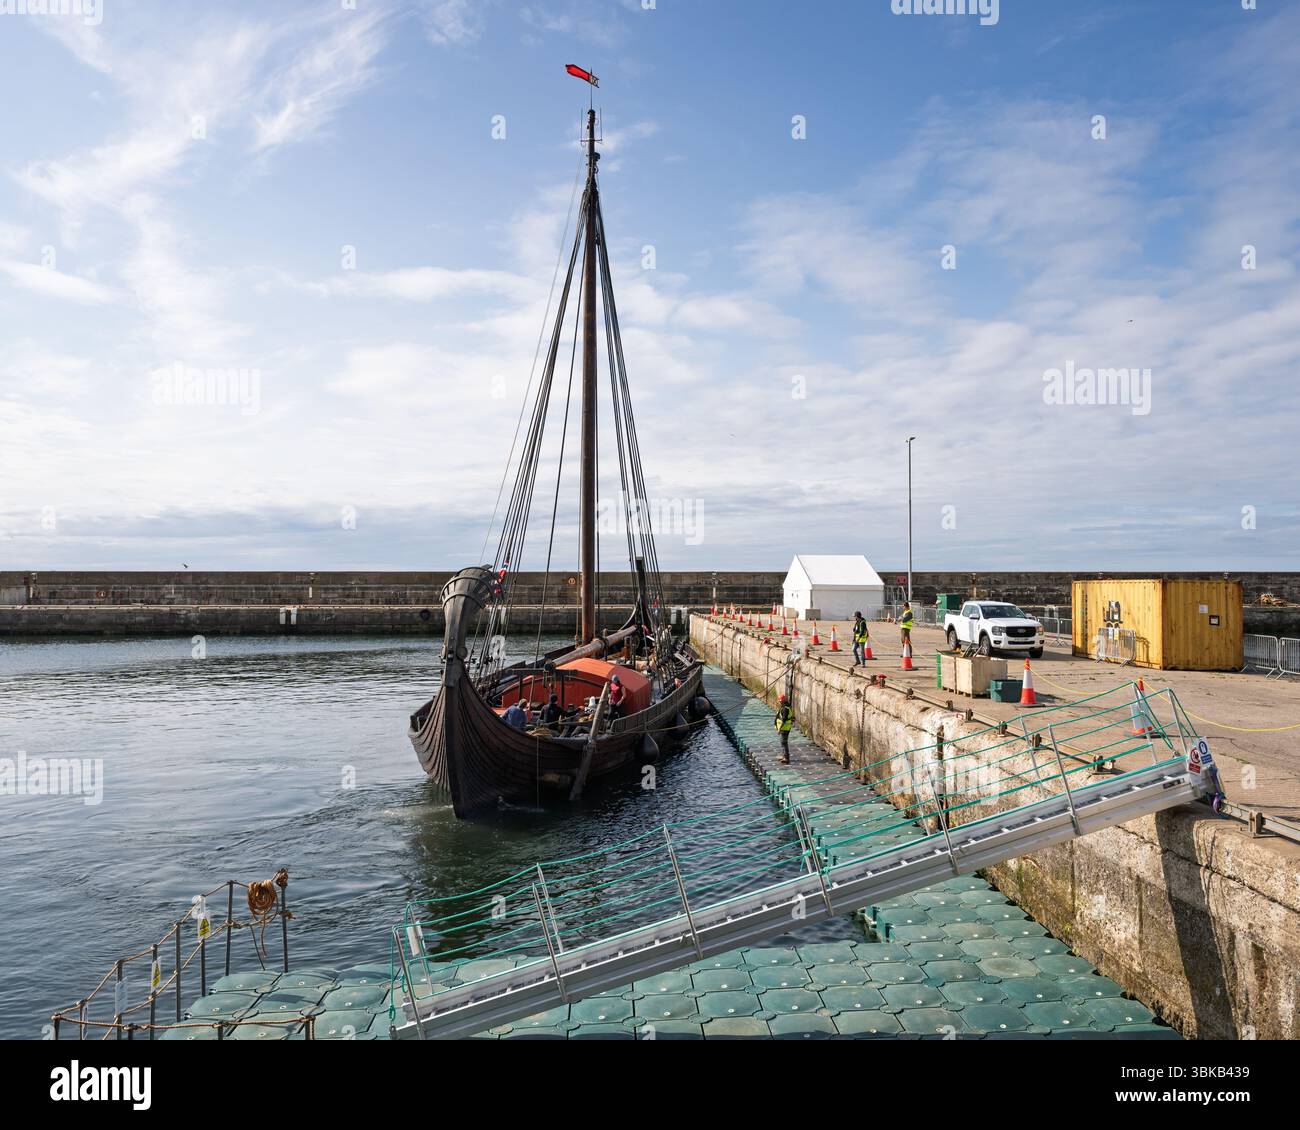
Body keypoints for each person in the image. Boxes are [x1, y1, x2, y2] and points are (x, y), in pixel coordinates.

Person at [774, 694, 793, 764]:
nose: (779, 702)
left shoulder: (785, 709)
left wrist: (779, 729)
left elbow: (784, 719)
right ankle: (784, 756)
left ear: (781, 701)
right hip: (785, 728)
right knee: (783, 742)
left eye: (780, 701)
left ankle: (786, 758)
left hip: (784, 728)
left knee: (784, 742)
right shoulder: (786, 707)